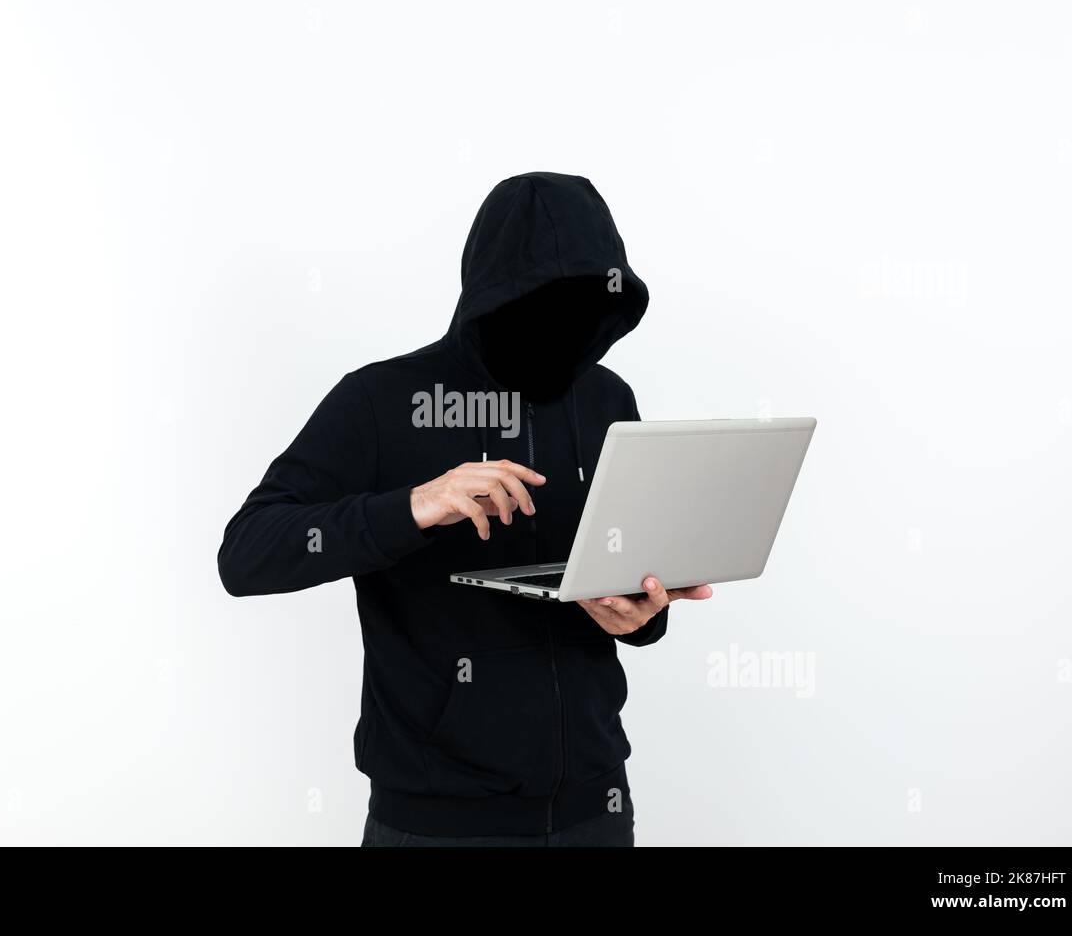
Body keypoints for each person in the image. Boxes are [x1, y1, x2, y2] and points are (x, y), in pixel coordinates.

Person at [218, 172, 712, 847]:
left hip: (597, 810)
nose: (561, 326)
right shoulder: (378, 401)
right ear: (494, 295)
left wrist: (640, 615)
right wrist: (414, 506)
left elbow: (624, 574)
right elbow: (246, 553)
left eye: (582, 302)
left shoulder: (607, 399)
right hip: (436, 824)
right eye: (541, 301)